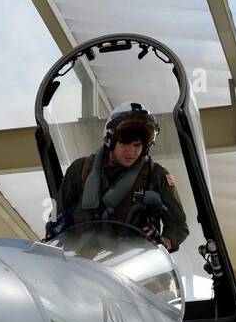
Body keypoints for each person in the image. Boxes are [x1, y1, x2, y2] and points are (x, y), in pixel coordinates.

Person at [51, 102, 189, 252]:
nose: (131, 152)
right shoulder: (80, 170)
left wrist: (163, 242)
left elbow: (179, 226)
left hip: (135, 266)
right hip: (83, 264)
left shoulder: (156, 175)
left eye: (137, 145)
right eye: (125, 143)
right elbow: (56, 220)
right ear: (110, 140)